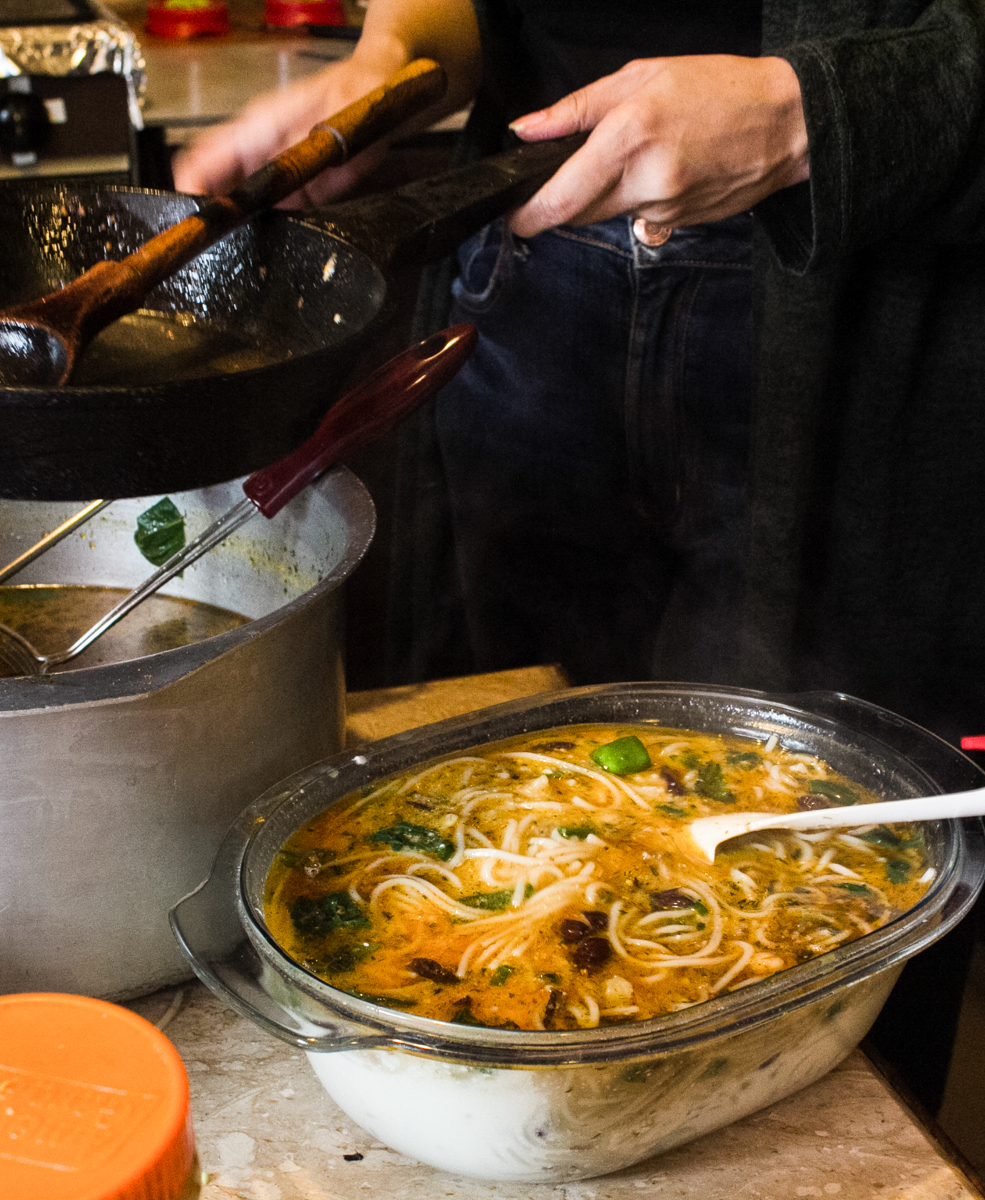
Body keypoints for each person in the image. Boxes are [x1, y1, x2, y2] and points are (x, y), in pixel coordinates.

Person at [177, 1, 985, 1114]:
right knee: (500, 764)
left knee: (855, 893)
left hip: (877, 326)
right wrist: (393, 60)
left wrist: (813, 115)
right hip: (531, 266)